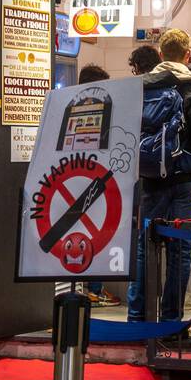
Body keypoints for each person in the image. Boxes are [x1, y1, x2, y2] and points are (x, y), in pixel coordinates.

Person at [129, 28, 191, 323]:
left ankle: (138, 317)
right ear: (188, 54)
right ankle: (170, 321)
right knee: (179, 249)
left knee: (144, 246)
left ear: (161, 55)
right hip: (187, 177)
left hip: (151, 175)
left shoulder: (142, 87)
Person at [73, 63, 121, 306]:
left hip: (74, 179)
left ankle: (87, 287)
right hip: (94, 179)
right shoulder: (101, 111)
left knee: (81, 233)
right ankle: (94, 288)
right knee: (97, 234)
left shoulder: (69, 107)